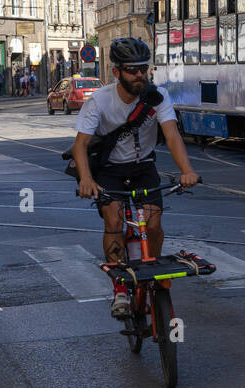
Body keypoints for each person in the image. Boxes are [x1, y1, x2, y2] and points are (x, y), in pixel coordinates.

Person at [72, 38, 200, 319]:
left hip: (144, 168)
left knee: (153, 224)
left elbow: (172, 135)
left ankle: (152, 271)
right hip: (110, 171)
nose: (140, 75)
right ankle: (120, 287)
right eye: (132, 70)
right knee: (114, 220)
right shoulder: (99, 100)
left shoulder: (158, 97)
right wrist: (86, 179)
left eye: (144, 68)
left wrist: (187, 171)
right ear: (117, 72)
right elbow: (80, 145)